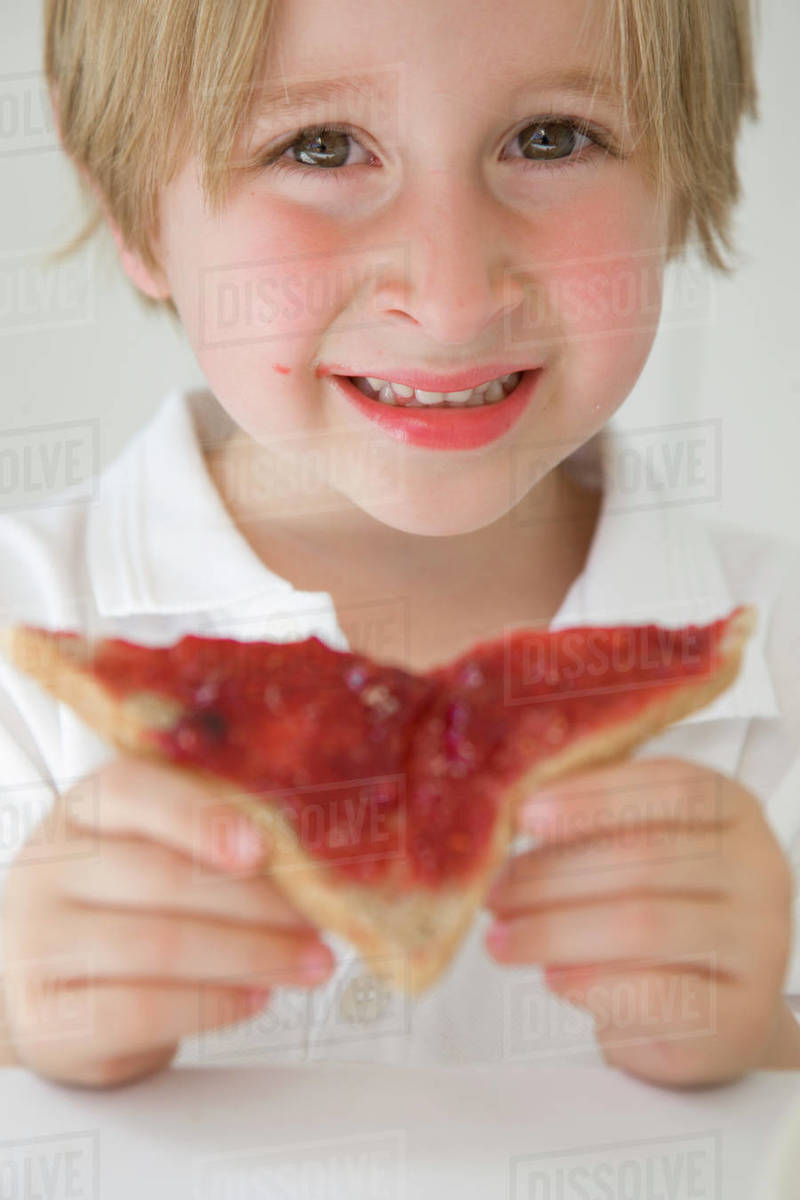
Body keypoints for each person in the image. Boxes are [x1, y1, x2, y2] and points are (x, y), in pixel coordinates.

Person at [0, 0, 798, 1091]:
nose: (454, 293)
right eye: (320, 148)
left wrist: (765, 1041)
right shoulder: (23, 631)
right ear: (130, 204)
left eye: (552, 137)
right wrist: (19, 1019)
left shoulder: (776, 654)